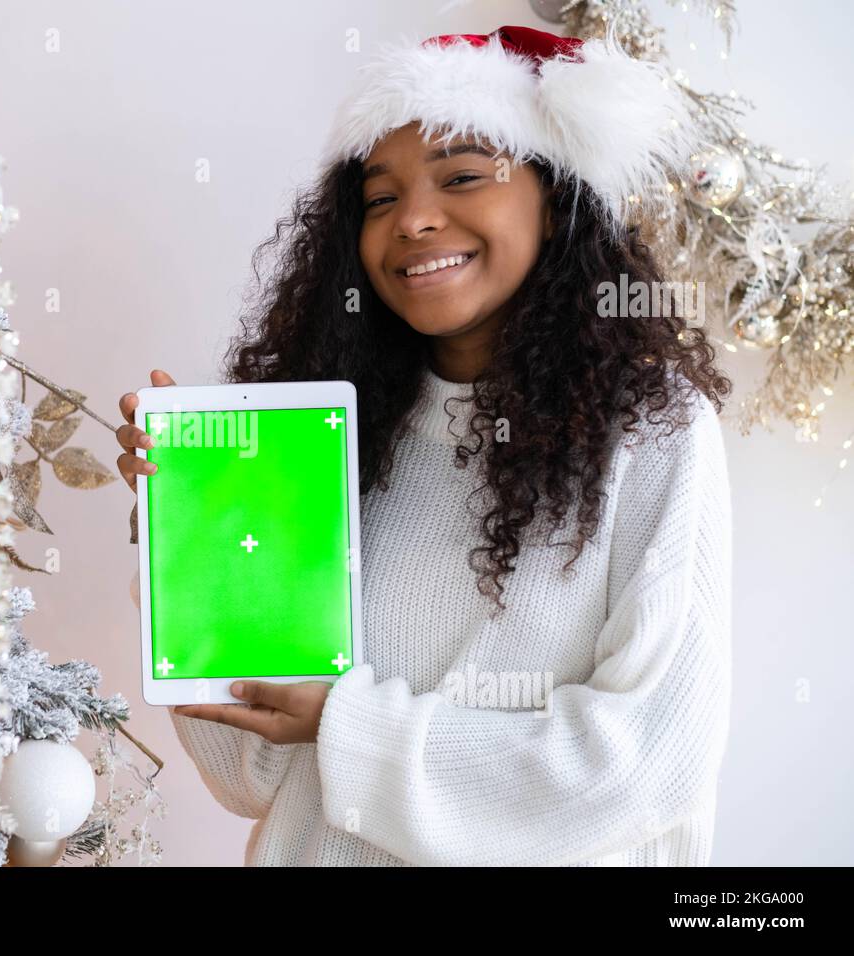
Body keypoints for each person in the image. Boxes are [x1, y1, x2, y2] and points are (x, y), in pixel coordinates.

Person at [115, 24, 732, 866]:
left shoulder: (651, 430)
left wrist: (350, 726)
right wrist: (189, 544)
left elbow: (646, 766)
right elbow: (254, 774)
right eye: (378, 198)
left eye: (464, 177)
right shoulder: (322, 439)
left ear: (555, 202)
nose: (412, 220)